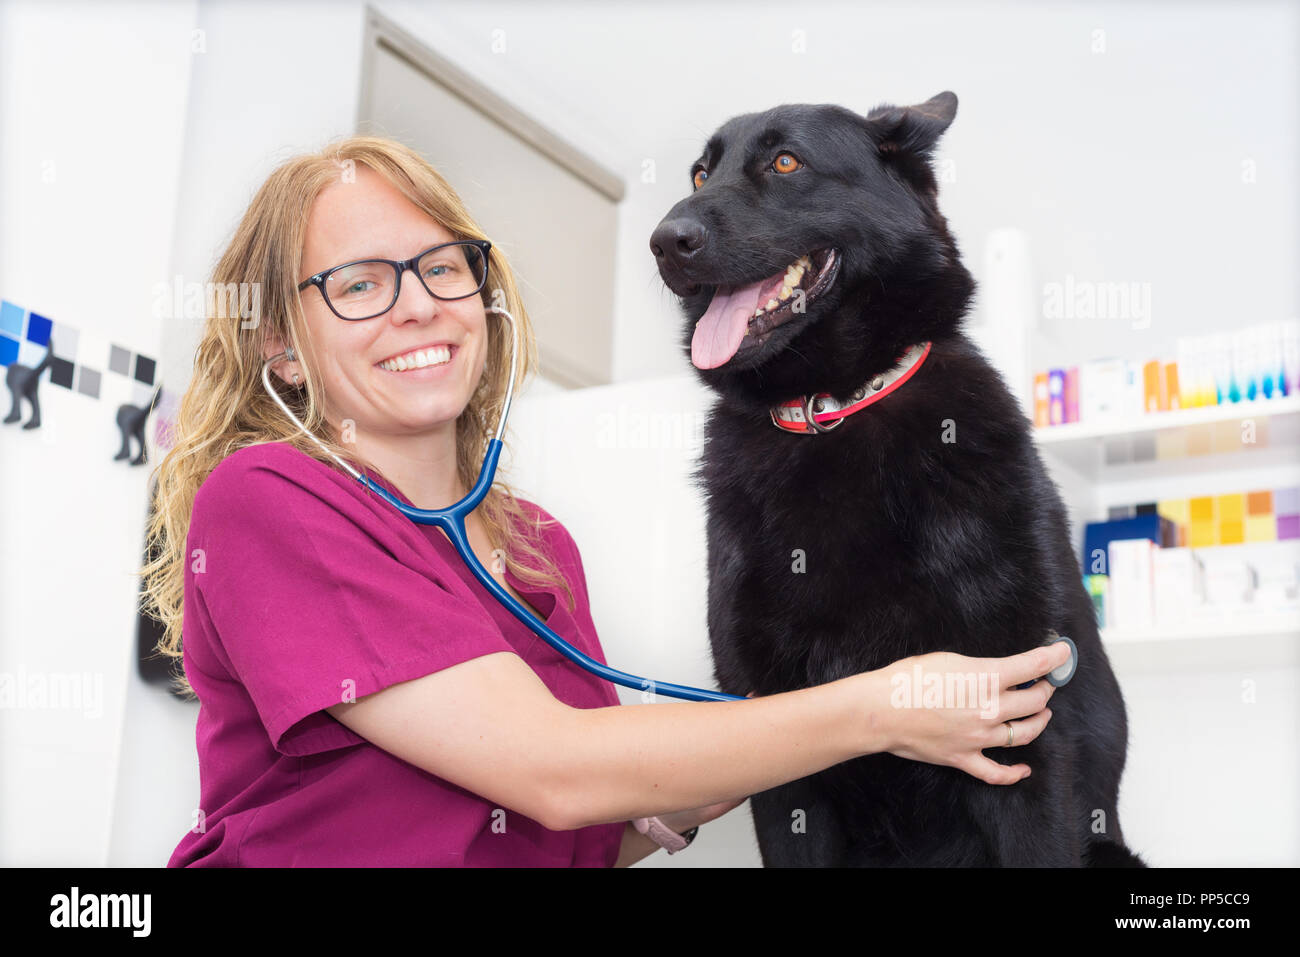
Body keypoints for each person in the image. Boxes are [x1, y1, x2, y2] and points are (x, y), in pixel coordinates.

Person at [144, 135, 1067, 867]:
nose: (418, 305)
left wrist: (682, 798)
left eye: (441, 267)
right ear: (284, 350)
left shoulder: (536, 547)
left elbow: (566, 835)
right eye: (357, 284)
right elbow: (552, 770)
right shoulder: (270, 496)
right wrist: (883, 706)